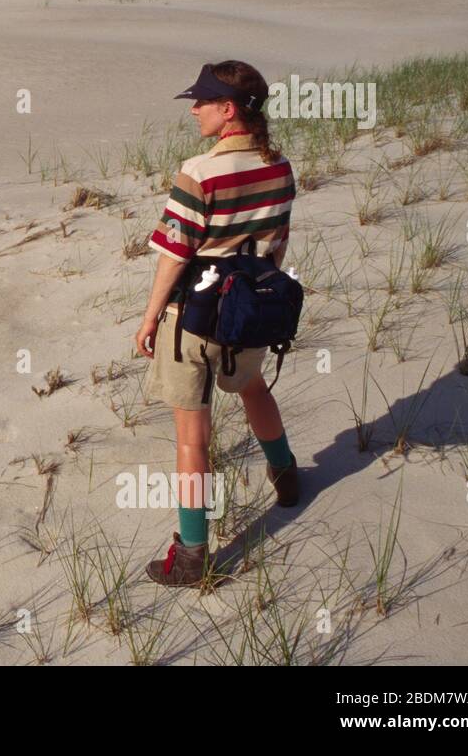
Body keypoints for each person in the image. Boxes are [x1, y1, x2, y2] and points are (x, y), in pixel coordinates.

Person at [133, 61, 299, 587]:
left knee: (192, 438)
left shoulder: (199, 171)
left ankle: (192, 555)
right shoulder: (281, 167)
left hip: (193, 318)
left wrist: (151, 315)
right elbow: (277, 245)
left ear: (229, 111)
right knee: (252, 387)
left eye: (202, 101)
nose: (195, 109)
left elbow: (176, 254)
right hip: (249, 310)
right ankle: (287, 476)